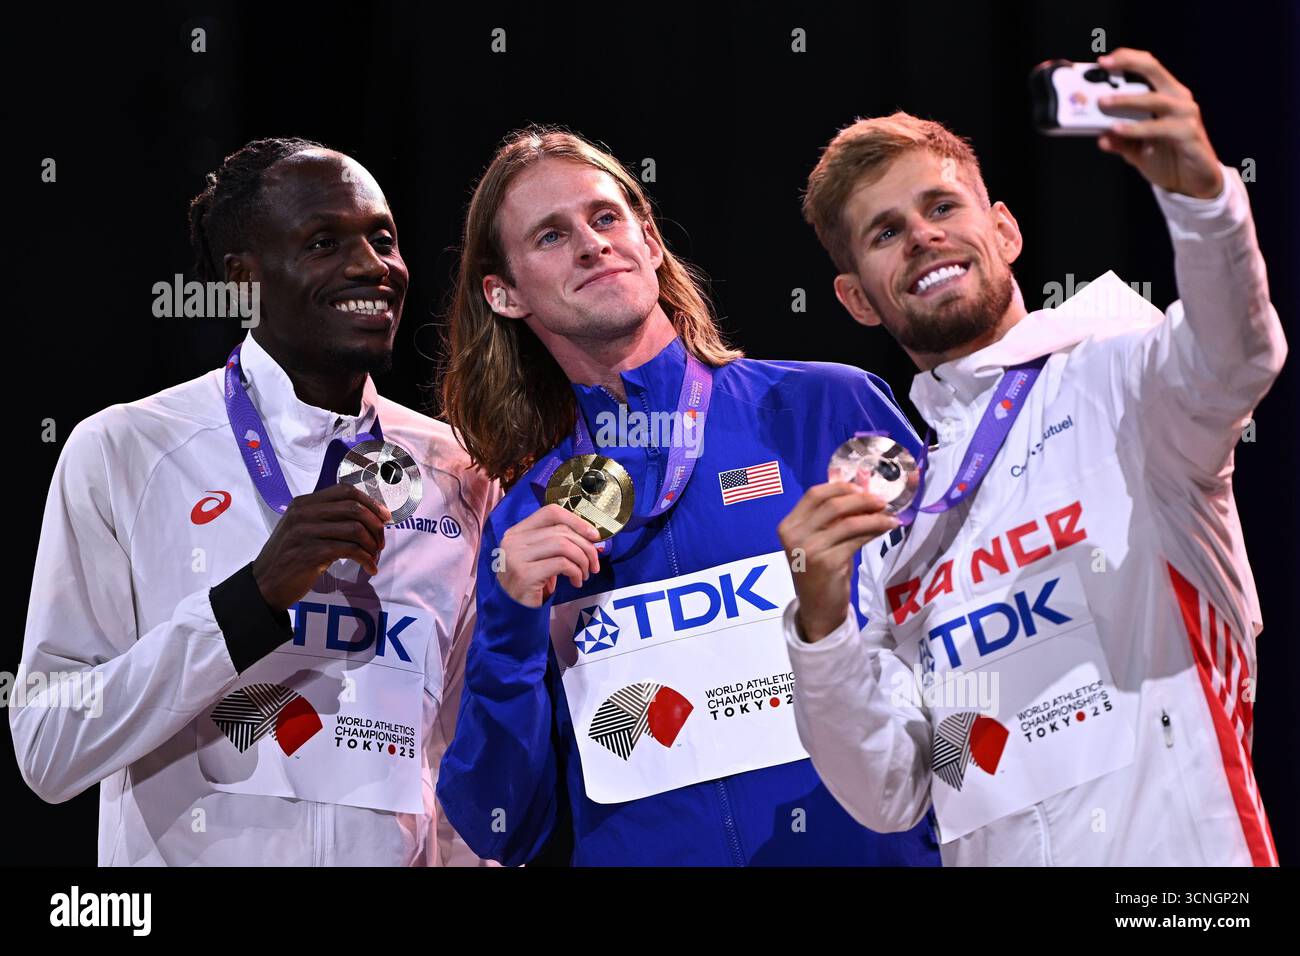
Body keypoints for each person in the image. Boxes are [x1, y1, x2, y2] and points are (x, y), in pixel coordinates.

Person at [778, 48, 1284, 865]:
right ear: (856, 298)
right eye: (885, 232)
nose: (922, 237)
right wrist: (818, 622)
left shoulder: (1124, 381)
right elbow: (888, 792)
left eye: (942, 205)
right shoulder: (888, 522)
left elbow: (1238, 356)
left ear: (1004, 230)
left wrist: (1202, 198)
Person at [436, 126, 939, 866]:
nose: (591, 244)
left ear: (649, 238)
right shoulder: (525, 522)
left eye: (605, 218)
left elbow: (950, 637)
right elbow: (502, 825)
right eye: (551, 235)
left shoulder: (825, 410)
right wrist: (511, 621)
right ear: (504, 294)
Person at [12, 137, 496, 866]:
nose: (372, 266)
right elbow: (50, 746)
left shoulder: (458, 470)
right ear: (243, 280)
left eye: (383, 238)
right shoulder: (125, 450)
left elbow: (455, 756)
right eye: (325, 242)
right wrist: (246, 606)